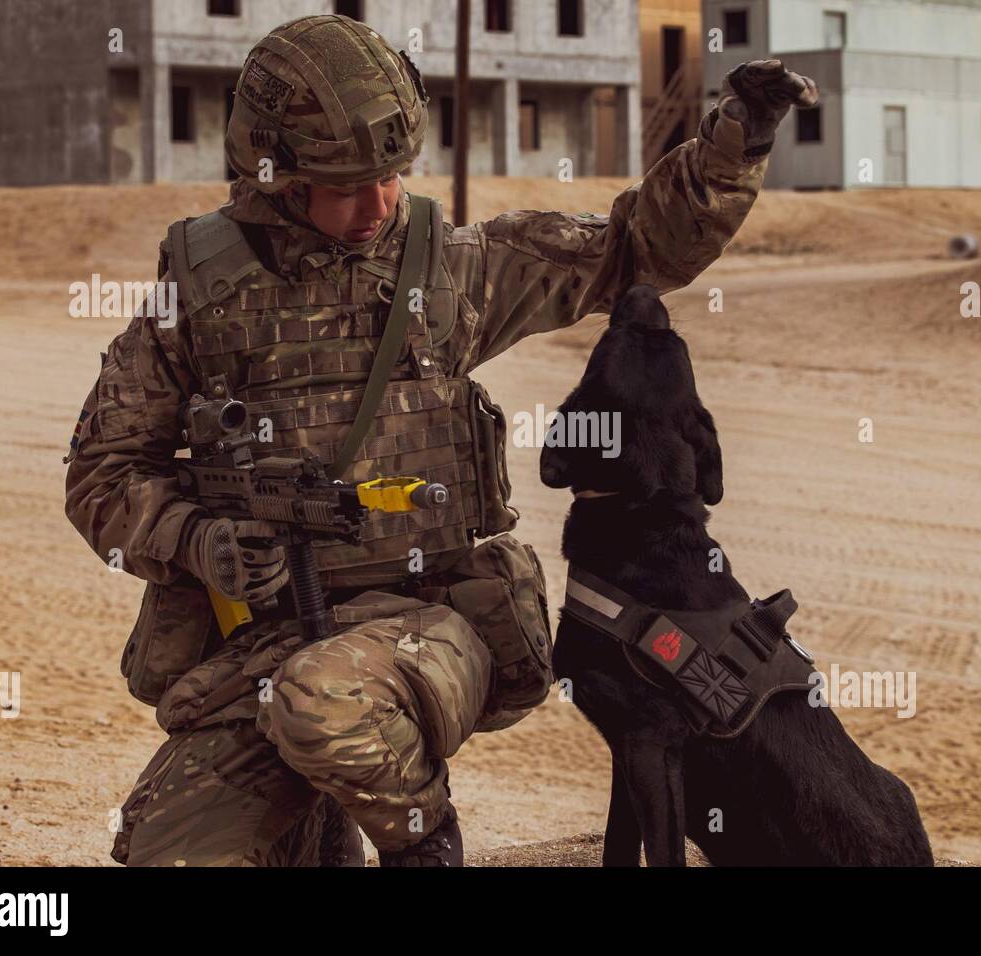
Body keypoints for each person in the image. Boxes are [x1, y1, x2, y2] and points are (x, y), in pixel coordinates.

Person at [63, 12, 818, 867]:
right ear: (273, 172)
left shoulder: (444, 271)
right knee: (173, 850)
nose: (380, 202)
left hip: (431, 629)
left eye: (390, 174)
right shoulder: (197, 296)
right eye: (348, 183)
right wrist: (198, 541)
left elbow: (631, 250)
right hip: (265, 652)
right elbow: (102, 472)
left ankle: (426, 845)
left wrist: (730, 148)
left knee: (325, 704)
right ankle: (316, 830)